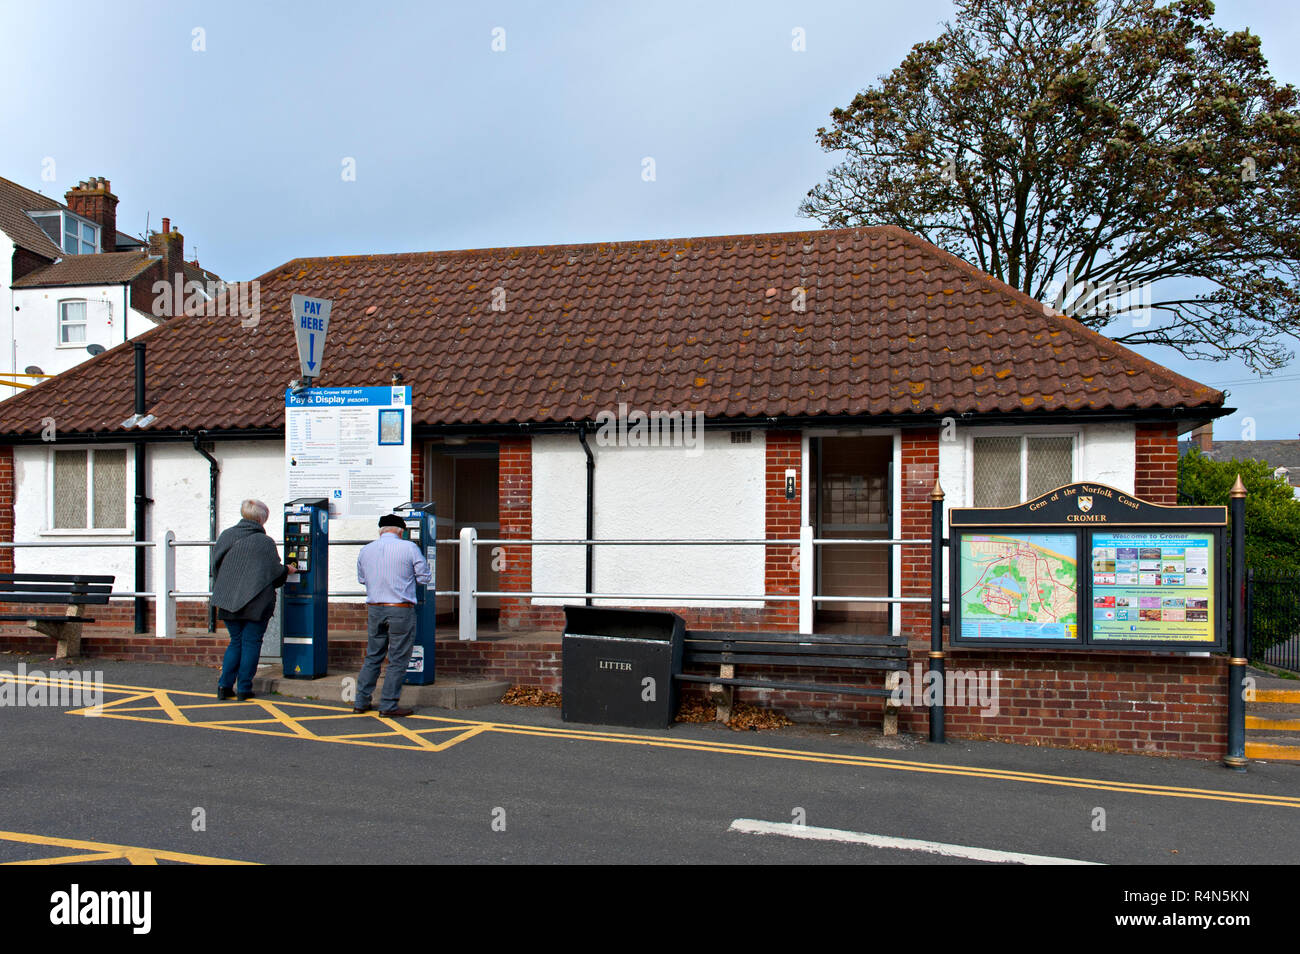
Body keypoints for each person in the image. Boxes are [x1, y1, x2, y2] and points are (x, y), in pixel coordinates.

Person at [211, 499, 297, 701]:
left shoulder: (226, 535)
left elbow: (216, 567)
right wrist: (287, 569)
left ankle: (224, 686)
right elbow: (274, 573)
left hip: (227, 598)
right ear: (261, 518)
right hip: (255, 602)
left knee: (236, 642)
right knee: (251, 643)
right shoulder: (264, 542)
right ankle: (243, 688)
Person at [354, 513, 432, 717]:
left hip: (375, 609)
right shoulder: (409, 547)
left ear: (381, 530)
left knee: (373, 656)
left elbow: (362, 579)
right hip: (400, 608)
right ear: (401, 531)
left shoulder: (366, 550)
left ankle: (361, 702)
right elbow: (424, 577)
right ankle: (388, 704)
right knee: (397, 659)